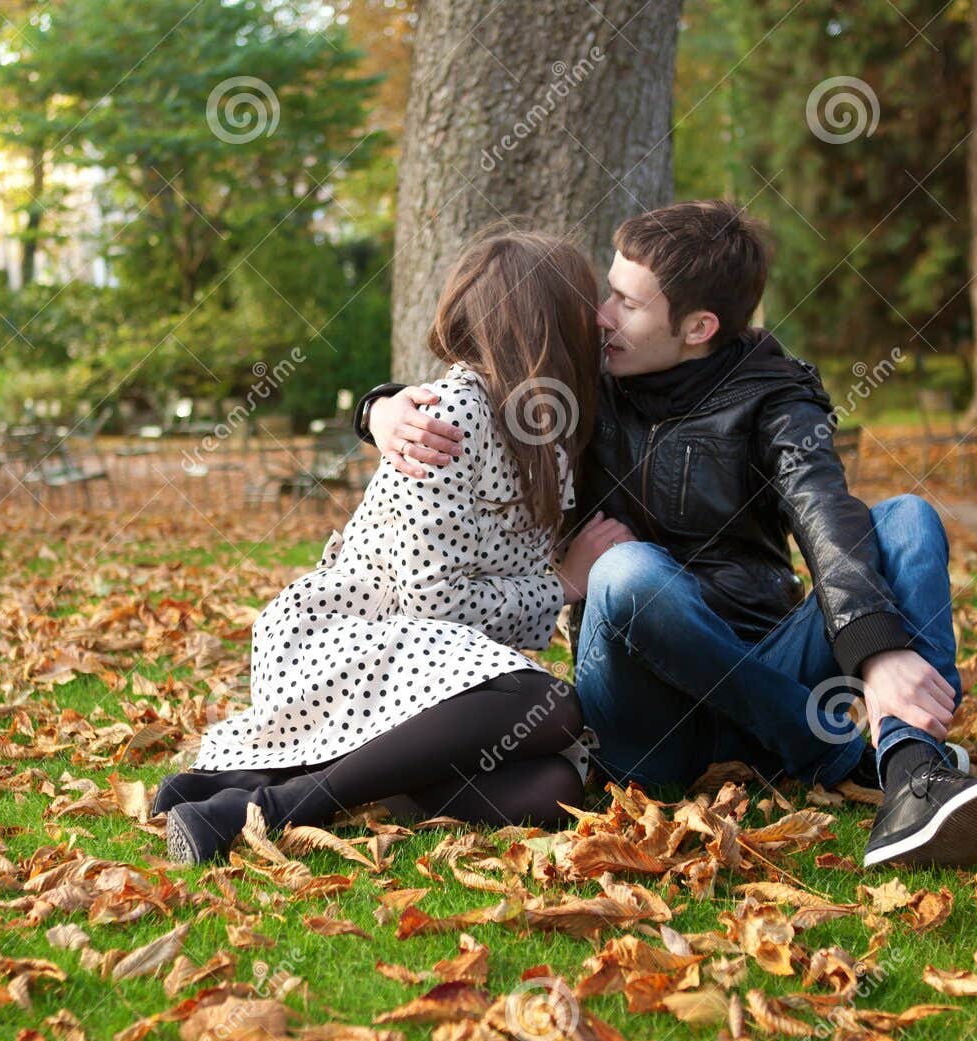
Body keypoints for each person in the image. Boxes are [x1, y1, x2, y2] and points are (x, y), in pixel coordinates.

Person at [354, 200, 977, 870]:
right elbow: (482, 377)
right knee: (624, 572)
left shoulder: (775, 393)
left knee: (908, 518)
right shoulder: (590, 378)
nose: (601, 317)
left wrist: (878, 648)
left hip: (766, 657)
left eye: (628, 302)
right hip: (644, 717)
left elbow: (826, 513)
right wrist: (381, 408)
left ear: (698, 326)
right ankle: (826, 751)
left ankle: (913, 775)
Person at [157, 229, 628, 864]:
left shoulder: (545, 421)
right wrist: (563, 585)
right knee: (544, 704)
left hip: (426, 673)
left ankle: (256, 785)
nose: (599, 319)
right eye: (585, 303)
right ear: (542, 325)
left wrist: (372, 405)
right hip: (346, 637)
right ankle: (265, 809)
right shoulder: (447, 420)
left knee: (552, 789)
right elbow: (436, 605)